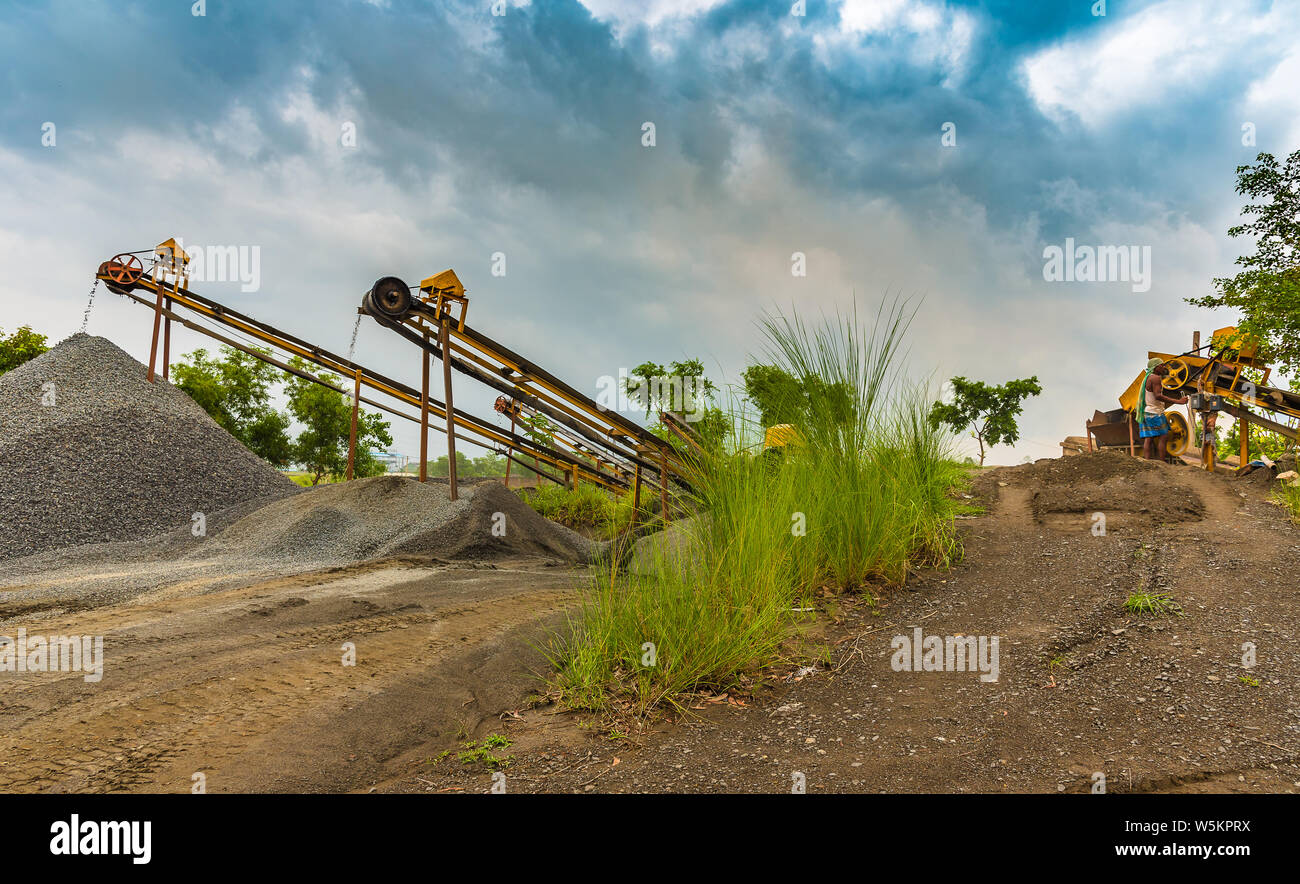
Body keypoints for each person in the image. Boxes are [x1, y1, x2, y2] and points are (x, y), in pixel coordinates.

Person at [1139, 357, 1189, 461]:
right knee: (1164, 436)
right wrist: (1178, 401)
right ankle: (1161, 464)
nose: (1164, 367)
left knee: (1149, 438)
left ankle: (1147, 462)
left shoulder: (1147, 378)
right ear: (1156, 367)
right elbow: (1158, 396)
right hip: (1155, 413)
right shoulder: (1156, 378)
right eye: (1161, 365)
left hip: (1147, 412)